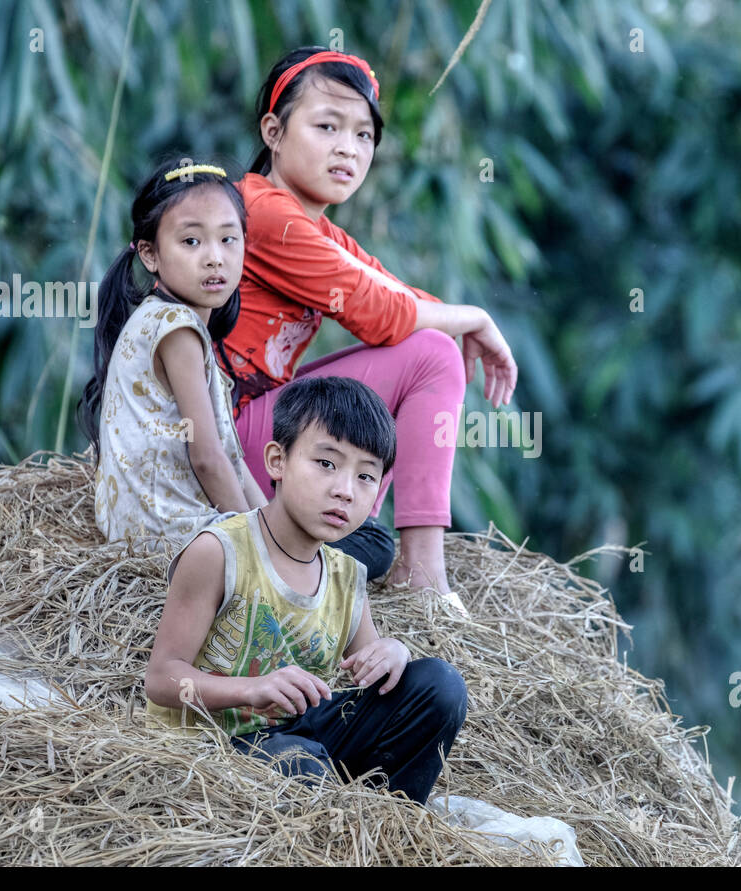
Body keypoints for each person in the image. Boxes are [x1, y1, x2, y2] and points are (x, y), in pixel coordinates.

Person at [221, 45, 519, 612]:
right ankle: (422, 575)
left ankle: (363, 534)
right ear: (273, 132)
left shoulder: (317, 229)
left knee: (428, 343)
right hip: (227, 438)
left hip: (259, 426)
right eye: (327, 126)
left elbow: (397, 295)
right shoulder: (265, 214)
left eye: (363, 136)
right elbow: (382, 314)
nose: (347, 149)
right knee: (432, 353)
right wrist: (476, 319)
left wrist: (451, 318)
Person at [143, 376, 468, 805]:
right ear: (277, 461)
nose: (344, 490)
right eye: (326, 464)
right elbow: (162, 678)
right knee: (299, 764)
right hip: (219, 747)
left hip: (300, 734)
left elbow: (372, 681)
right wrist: (249, 689)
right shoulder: (220, 552)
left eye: (366, 476)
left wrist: (393, 653)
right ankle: (336, 811)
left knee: (440, 685)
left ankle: (390, 818)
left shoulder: (346, 575)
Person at [77, 157, 268, 555]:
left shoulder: (160, 316)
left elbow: (229, 459)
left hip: (148, 529)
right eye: (191, 241)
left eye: (228, 239)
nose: (215, 257)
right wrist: (263, 553)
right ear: (150, 254)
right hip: (167, 534)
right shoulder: (176, 329)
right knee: (356, 550)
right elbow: (208, 459)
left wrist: (270, 529)